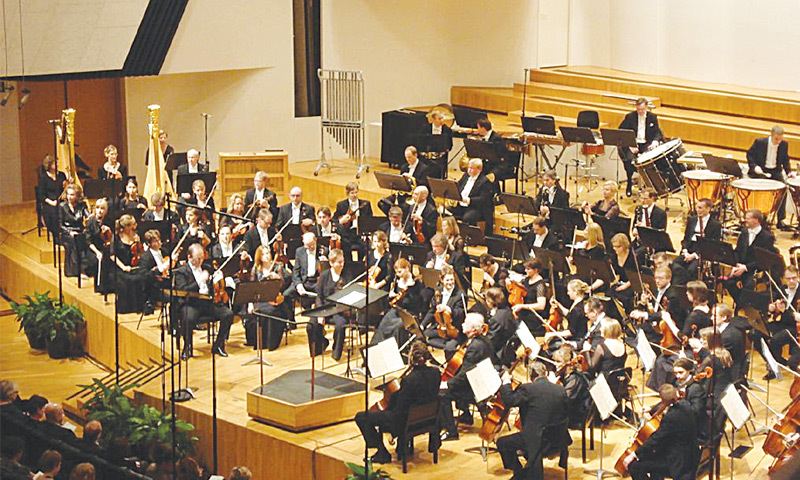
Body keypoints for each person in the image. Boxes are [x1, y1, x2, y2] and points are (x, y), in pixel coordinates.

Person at [355, 341, 441, 464]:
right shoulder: (435, 373)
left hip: (407, 423)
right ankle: (402, 447)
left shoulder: (409, 380)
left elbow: (400, 411)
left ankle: (382, 453)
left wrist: (393, 432)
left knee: (362, 417)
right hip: (426, 420)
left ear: (411, 358)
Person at [496, 360, 570, 480]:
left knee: (502, 443)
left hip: (537, 439)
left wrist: (506, 383)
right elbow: (567, 413)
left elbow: (510, 401)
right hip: (557, 439)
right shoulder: (560, 389)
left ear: (531, 376)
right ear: (545, 373)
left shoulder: (527, 389)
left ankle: (520, 474)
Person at [438, 313, 497, 441]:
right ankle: (466, 415)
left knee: (442, 394)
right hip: (481, 380)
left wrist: (447, 384)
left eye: (466, 323)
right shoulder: (484, 340)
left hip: (475, 388)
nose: (462, 324)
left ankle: (451, 431)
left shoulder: (475, 347)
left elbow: (464, 376)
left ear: (474, 329)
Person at [622, 384, 699, 480]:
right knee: (654, 454)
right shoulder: (686, 405)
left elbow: (656, 439)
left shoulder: (671, 417)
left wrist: (635, 454)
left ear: (663, 400)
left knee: (634, 466)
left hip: (677, 462)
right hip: (690, 454)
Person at [174, 244, 235, 358]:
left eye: (202, 258)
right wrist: (199, 280)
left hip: (207, 303)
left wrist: (217, 278)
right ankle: (188, 347)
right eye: (198, 258)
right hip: (191, 303)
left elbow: (214, 283)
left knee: (228, 314)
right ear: (189, 257)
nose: (200, 261)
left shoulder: (207, 267)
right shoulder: (181, 272)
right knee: (188, 318)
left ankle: (218, 345)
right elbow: (182, 290)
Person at [723, 209, 776, 304]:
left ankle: (745, 306)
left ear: (756, 221)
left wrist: (746, 268)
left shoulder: (767, 237)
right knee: (728, 282)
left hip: (755, 269)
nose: (744, 220)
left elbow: (764, 259)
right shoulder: (744, 233)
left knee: (747, 286)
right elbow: (738, 251)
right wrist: (736, 264)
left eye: (747, 218)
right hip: (741, 267)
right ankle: (741, 304)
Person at [371, 258, 426, 348]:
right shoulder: (397, 282)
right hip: (396, 310)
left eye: (400, 271)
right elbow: (390, 302)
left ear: (407, 268)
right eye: (396, 272)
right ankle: (376, 348)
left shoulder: (416, 283)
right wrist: (391, 295)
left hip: (408, 313)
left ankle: (394, 351)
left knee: (398, 326)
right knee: (384, 322)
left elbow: (418, 304)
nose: (398, 274)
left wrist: (410, 293)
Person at [243, 245, 290, 350]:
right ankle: (260, 342)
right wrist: (250, 304)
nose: (267, 256)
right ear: (259, 257)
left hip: (274, 299)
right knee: (258, 311)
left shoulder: (278, 267)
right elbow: (251, 288)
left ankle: (270, 343)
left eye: (268, 253)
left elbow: (282, 286)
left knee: (271, 311)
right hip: (260, 300)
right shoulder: (256, 269)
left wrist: (277, 278)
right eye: (263, 254)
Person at [747, 125, 793, 229]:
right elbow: (749, 155)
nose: (778, 141)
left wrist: (788, 172)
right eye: (776, 139)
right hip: (761, 170)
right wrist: (754, 167)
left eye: (780, 139)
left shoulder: (784, 144)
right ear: (771, 135)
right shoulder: (760, 142)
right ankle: (762, 218)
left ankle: (780, 220)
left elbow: (785, 159)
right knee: (763, 193)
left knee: (783, 191)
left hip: (775, 171)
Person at [307, 248, 349, 359]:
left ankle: (336, 353)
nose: (342, 265)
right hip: (324, 308)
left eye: (343, 261)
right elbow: (319, 295)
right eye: (339, 262)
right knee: (311, 325)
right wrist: (321, 313)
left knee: (341, 325)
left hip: (339, 311)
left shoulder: (346, 275)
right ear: (331, 263)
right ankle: (319, 346)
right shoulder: (324, 276)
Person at [617, 97, 664, 197]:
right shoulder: (630, 117)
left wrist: (655, 141)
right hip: (633, 144)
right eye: (638, 110)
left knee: (651, 160)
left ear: (646, 107)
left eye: (642, 110)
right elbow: (622, 131)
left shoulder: (652, 117)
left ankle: (649, 187)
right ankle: (629, 183)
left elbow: (658, 132)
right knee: (629, 161)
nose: (640, 112)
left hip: (646, 144)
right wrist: (630, 145)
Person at [672, 198, 721, 285]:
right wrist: (685, 251)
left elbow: (712, 245)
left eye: (700, 208)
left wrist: (694, 255)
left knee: (692, 269)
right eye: (697, 207)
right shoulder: (692, 220)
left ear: (708, 209)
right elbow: (686, 238)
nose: (697, 210)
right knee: (674, 264)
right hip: (689, 249)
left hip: (702, 253)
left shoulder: (715, 225)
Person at [421, 266, 466, 355]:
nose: (450, 282)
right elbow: (432, 311)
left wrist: (449, 309)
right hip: (440, 328)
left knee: (449, 348)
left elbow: (461, 314)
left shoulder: (460, 295)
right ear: (442, 280)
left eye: (452, 279)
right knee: (420, 337)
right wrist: (422, 325)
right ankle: (430, 360)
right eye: (447, 280)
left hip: (454, 331)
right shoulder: (438, 292)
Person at [764, 266, 800, 374]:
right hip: (782, 321)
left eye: (794, 278)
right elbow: (775, 306)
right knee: (758, 333)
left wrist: (785, 312)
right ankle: (776, 363)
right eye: (788, 278)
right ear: (784, 278)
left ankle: (776, 364)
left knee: (775, 340)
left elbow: (794, 319)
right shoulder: (781, 288)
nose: (791, 281)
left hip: (795, 327)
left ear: (798, 277)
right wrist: (772, 308)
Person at [111, 214, 148, 314]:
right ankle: (127, 307)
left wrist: (138, 243)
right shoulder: (117, 237)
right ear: (126, 227)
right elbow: (112, 255)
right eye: (132, 225)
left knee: (142, 276)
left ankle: (140, 306)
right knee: (129, 280)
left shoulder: (136, 236)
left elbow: (141, 253)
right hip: (120, 267)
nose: (135, 226)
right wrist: (123, 267)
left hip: (134, 265)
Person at [333, 181, 373, 261]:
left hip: (360, 233)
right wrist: (341, 221)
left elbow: (370, 220)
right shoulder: (341, 205)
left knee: (367, 247)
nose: (355, 195)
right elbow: (334, 220)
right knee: (345, 248)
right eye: (352, 193)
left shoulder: (365, 204)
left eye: (356, 192)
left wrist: (367, 234)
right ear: (347, 193)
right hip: (347, 234)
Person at [452, 158, 494, 233]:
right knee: (447, 212)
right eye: (469, 167)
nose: (469, 170)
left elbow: (483, 199)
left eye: (471, 168)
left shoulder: (485, 182)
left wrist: (468, 200)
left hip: (476, 208)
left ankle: (467, 236)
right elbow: (458, 186)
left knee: (467, 218)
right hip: (462, 205)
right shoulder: (466, 176)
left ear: (479, 169)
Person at [546, 279, 591, 348]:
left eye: (569, 291)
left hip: (577, 340)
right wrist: (558, 304)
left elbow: (571, 332)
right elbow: (570, 315)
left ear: (575, 292)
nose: (567, 293)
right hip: (576, 337)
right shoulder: (579, 303)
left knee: (551, 346)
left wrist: (553, 334)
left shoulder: (577, 309)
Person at [511, 259, 549, 336]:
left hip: (532, 316)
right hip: (523, 311)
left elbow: (541, 306)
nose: (525, 271)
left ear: (536, 270)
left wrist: (522, 306)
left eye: (528, 269)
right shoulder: (527, 279)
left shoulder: (540, 286)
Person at [59, 183, 89, 278]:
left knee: (88, 240)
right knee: (76, 241)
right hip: (67, 233)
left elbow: (88, 217)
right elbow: (59, 225)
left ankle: (88, 267)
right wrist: (69, 232)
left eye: (72, 195)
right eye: (68, 194)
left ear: (77, 195)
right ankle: (79, 270)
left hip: (79, 230)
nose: (70, 197)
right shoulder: (62, 206)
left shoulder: (81, 205)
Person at [632, 188, 666, 265]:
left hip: (652, 243)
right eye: (641, 198)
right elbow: (634, 224)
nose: (643, 201)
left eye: (645, 199)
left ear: (653, 198)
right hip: (639, 240)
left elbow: (661, 233)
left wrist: (646, 228)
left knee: (635, 255)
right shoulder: (639, 209)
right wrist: (634, 229)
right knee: (625, 252)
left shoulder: (660, 213)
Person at [38, 155, 68, 236]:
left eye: (57, 163)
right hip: (49, 203)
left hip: (61, 201)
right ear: (49, 165)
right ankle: (57, 235)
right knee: (53, 213)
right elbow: (41, 195)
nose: (57, 165)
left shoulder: (61, 175)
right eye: (55, 163)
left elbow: (64, 190)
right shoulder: (43, 178)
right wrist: (51, 202)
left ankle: (67, 232)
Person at [420, 109, 453, 179]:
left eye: (442, 118)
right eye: (439, 119)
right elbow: (421, 143)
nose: (442, 121)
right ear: (433, 119)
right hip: (428, 157)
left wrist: (443, 151)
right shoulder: (425, 129)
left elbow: (450, 145)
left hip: (440, 158)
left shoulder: (447, 130)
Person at [609, 233, 635, 312]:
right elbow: (614, 272)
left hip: (631, 284)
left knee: (624, 296)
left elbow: (635, 277)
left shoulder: (633, 257)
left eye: (618, 247)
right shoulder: (614, 256)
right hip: (621, 281)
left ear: (624, 245)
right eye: (614, 246)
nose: (615, 249)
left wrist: (624, 286)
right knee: (609, 293)